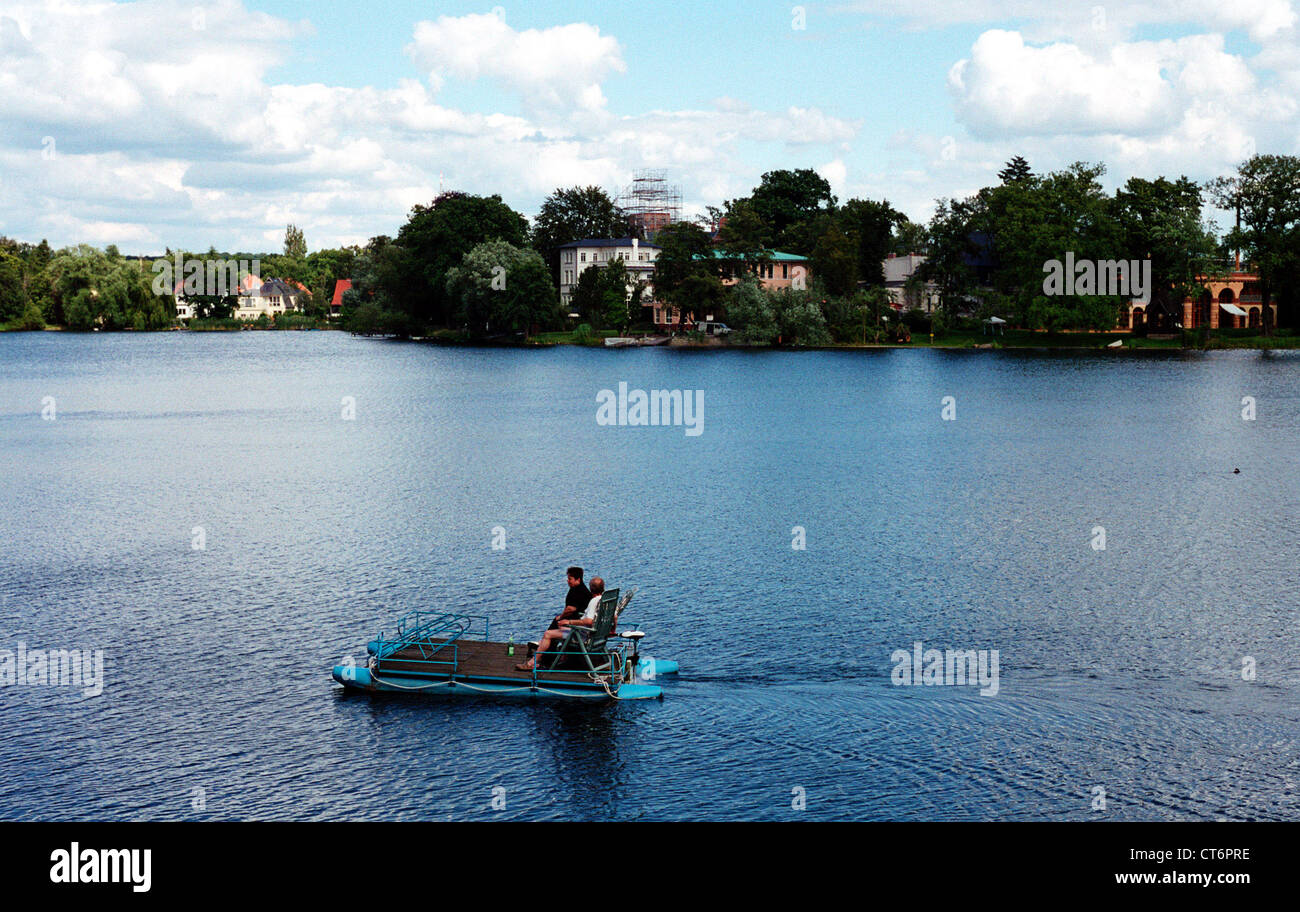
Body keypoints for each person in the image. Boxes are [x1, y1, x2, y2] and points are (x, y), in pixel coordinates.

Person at [518, 577, 604, 671]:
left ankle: (532, 663)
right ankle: (562, 657)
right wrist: (611, 631)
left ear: (591, 588)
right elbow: (614, 617)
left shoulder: (594, 601)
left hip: (583, 635)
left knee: (548, 634)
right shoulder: (606, 600)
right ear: (603, 587)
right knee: (561, 627)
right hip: (598, 635)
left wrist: (569, 622)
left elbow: (589, 621)